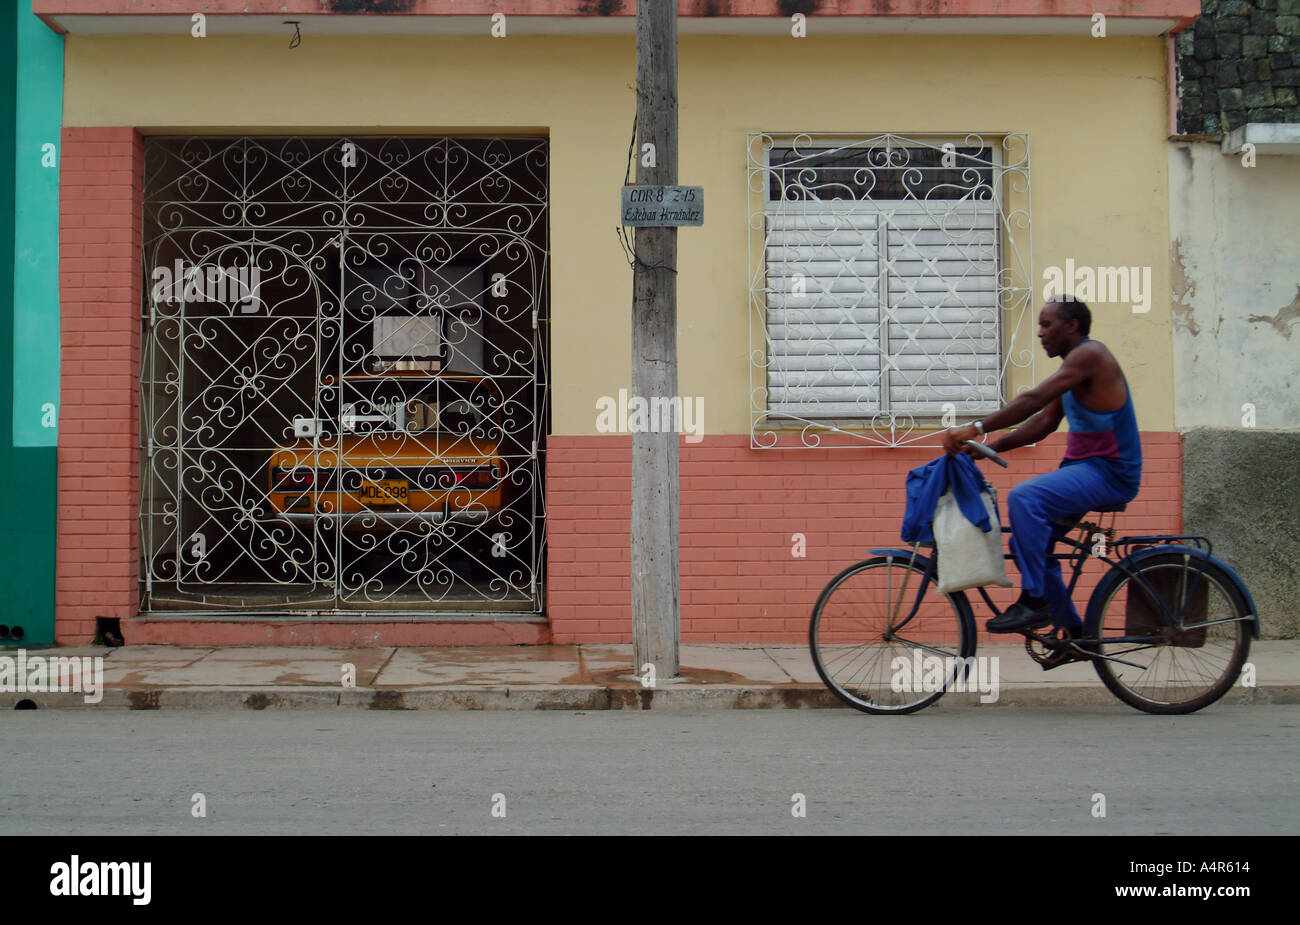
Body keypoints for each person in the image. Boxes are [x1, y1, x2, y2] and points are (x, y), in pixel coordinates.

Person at [940, 297, 1141, 634]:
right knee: (1026, 542)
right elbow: (1045, 422)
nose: (1040, 333)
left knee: (1025, 499)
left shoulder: (1090, 356)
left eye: (1046, 325)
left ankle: (1035, 601)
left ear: (1072, 326)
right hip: (1086, 471)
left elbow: (1032, 400)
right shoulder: (1074, 370)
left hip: (1110, 472)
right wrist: (992, 445)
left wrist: (976, 427)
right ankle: (1078, 635)